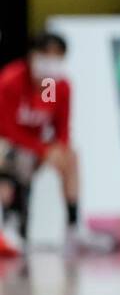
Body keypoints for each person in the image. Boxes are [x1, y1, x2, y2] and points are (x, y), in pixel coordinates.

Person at [0, 32, 88, 252]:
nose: (51, 64)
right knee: (9, 156)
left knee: (70, 156)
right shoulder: (12, 80)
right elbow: (6, 128)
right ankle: (11, 223)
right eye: (46, 56)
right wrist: (40, 149)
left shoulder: (59, 87)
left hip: (37, 148)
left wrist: (58, 150)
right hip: (12, 145)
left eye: (57, 58)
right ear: (32, 56)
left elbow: (63, 129)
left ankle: (72, 229)